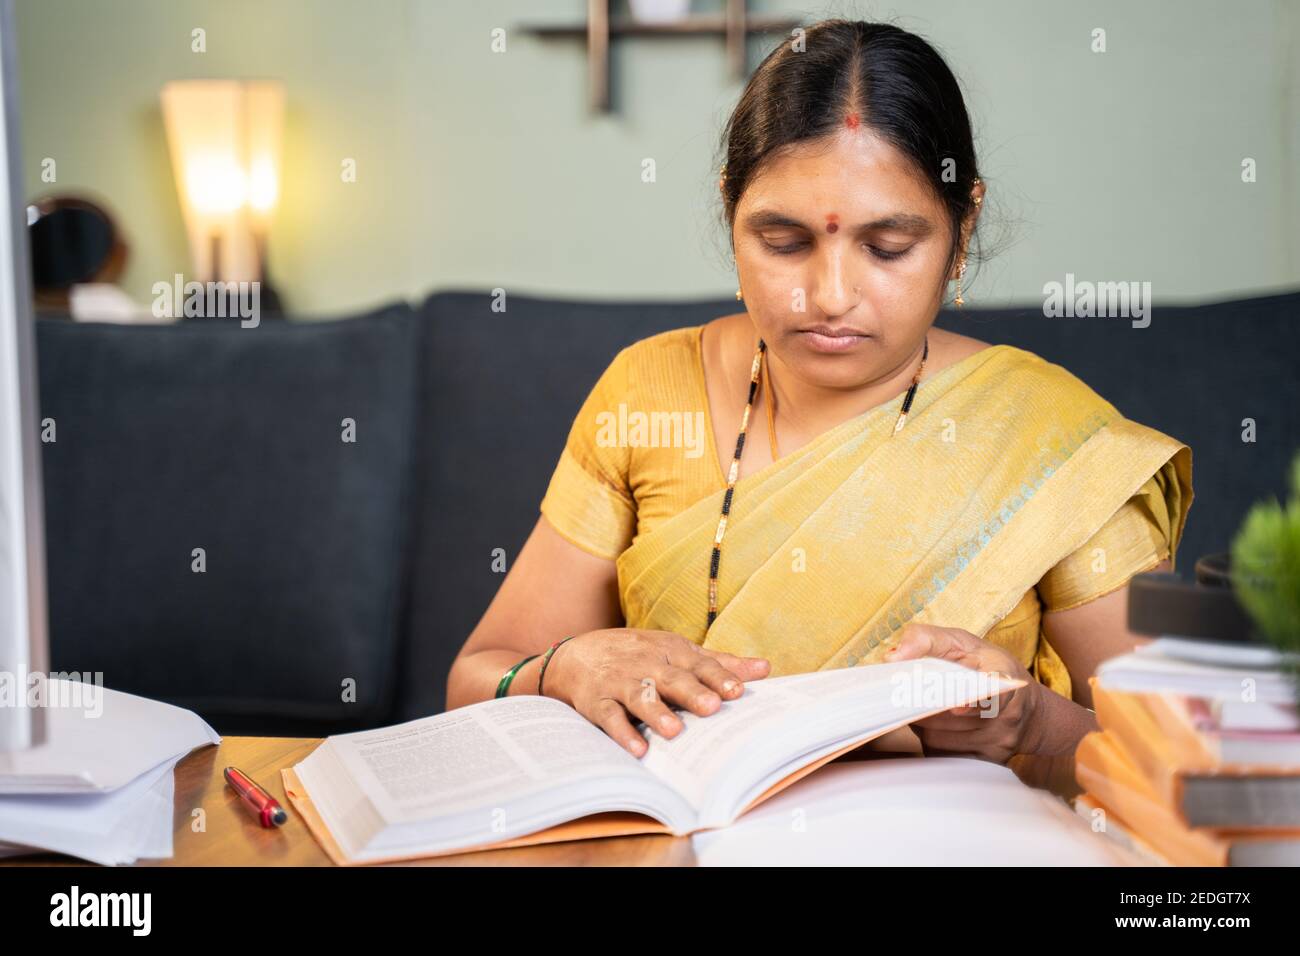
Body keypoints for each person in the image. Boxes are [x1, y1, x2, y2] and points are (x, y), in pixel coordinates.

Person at [446, 19, 1192, 769]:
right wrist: (565, 667)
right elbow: (477, 681)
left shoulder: (1049, 437)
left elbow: (1180, 762)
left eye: (888, 247)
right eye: (784, 242)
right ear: (729, 215)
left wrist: (1033, 729)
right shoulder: (649, 393)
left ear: (963, 229)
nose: (830, 296)